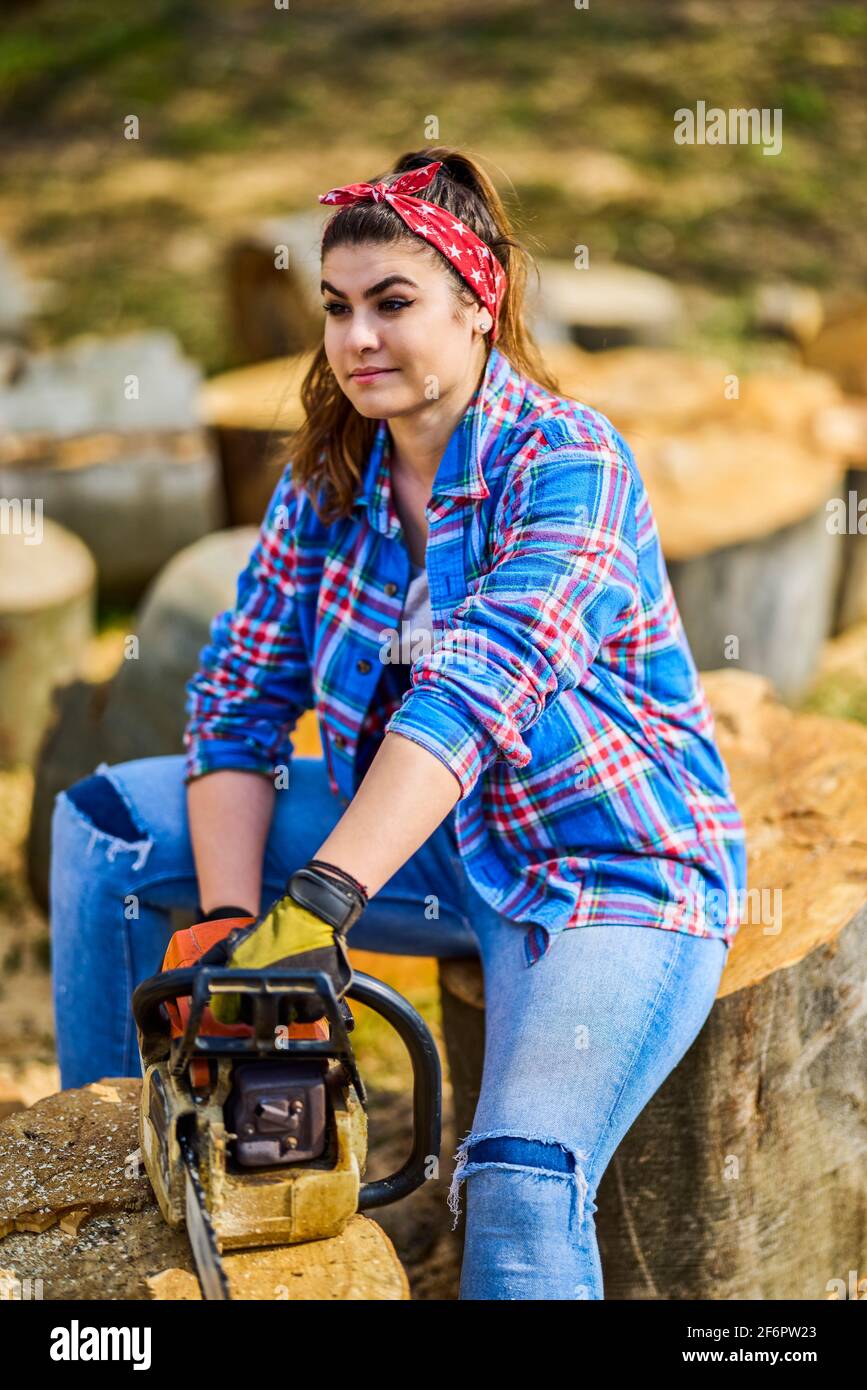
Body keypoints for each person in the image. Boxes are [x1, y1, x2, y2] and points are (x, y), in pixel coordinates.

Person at [50, 145, 747, 1300]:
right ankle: (132, 1205)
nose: (357, 337)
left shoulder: (572, 463)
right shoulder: (327, 482)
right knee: (107, 831)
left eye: (393, 303)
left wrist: (311, 911)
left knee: (521, 1183)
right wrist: (233, 921)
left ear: (481, 306)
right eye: (337, 308)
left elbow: (474, 693)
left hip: (602, 869)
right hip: (419, 846)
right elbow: (239, 705)